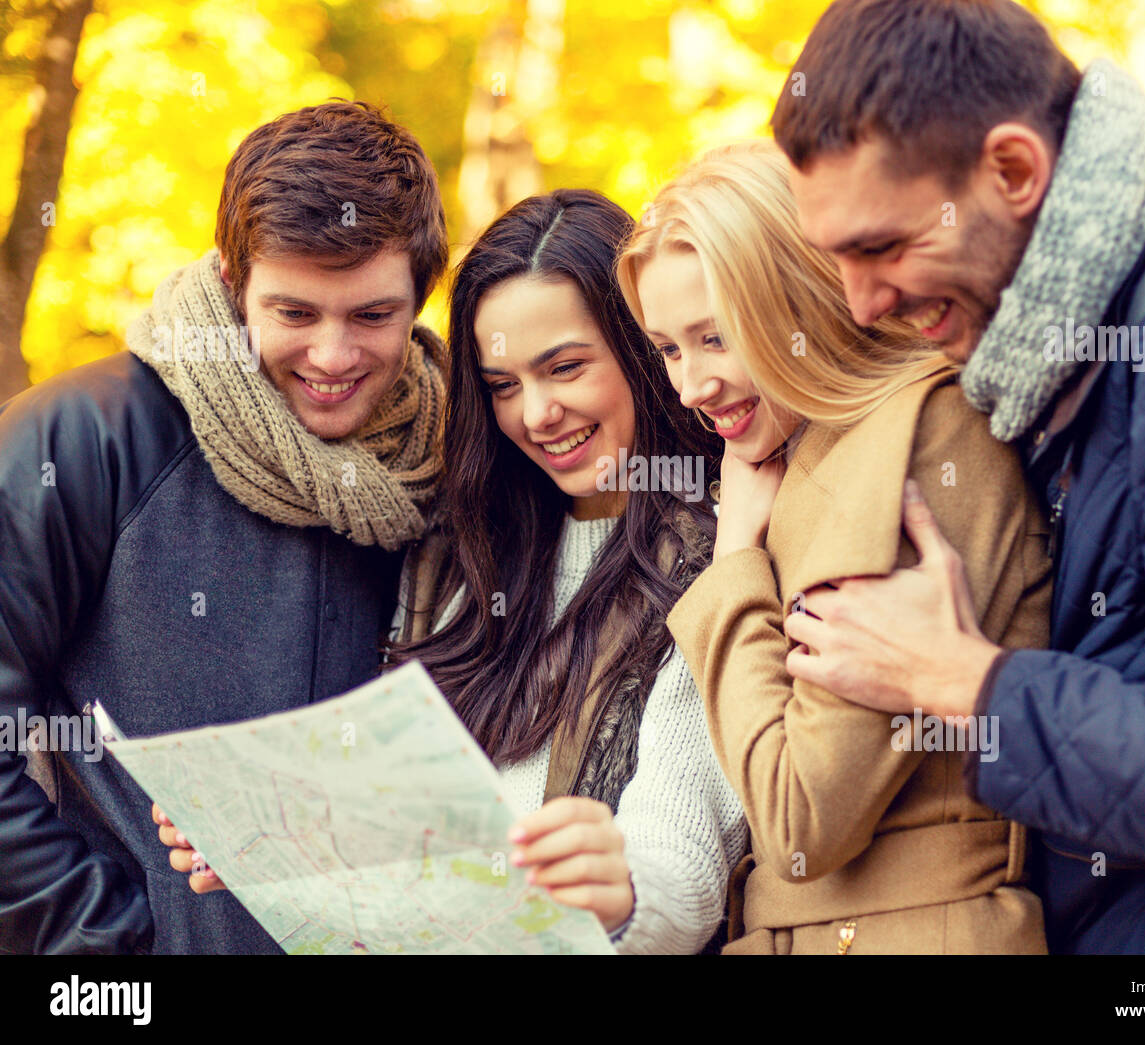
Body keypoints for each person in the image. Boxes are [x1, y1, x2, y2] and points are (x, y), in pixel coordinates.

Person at [770, 0, 1145, 953]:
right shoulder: (1069, 343)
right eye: (836, 260)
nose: (862, 301)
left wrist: (963, 682)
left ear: (1014, 169)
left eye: (884, 247)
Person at [161, 188, 749, 954]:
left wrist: (622, 896)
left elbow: (686, 852)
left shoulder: (721, 550)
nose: (535, 414)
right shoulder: (460, 557)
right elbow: (411, 866)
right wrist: (277, 852)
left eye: (565, 367)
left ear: (643, 349)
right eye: (503, 385)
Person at [0, 100, 449, 954]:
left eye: (371, 316)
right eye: (294, 313)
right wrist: (118, 943)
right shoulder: (81, 441)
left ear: (420, 298)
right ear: (234, 283)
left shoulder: (452, 463)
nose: (332, 355)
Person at [617, 140, 1051, 954]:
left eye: (716, 337)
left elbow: (801, 818)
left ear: (797, 298)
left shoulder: (920, 437)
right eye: (669, 348)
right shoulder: (807, 452)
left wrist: (735, 560)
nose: (689, 386)